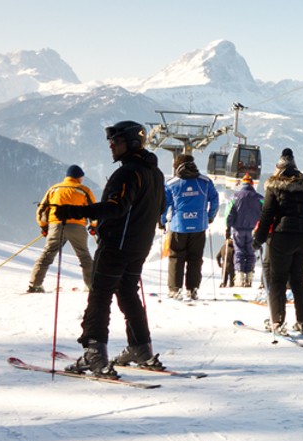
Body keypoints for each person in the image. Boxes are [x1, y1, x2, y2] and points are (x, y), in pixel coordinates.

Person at [54, 121, 166, 377]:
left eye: (116, 141)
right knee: (127, 293)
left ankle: (95, 353)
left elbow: (116, 207)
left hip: (116, 246)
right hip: (139, 247)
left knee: (100, 295)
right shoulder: (155, 174)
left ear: (132, 144)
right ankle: (141, 349)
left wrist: (76, 212)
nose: (111, 146)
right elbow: (159, 209)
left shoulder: (127, 173)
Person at [252, 148, 303, 337]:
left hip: (282, 237)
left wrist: (258, 239)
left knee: (277, 280)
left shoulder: (275, 187)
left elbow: (267, 214)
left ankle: (277, 320)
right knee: (299, 279)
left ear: (279, 169)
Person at [28, 165, 97, 293]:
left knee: (47, 255)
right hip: (77, 226)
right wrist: (93, 226)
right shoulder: (84, 190)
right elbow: (94, 210)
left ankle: (35, 285)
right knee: (84, 256)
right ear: (79, 177)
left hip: (56, 225)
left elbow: (42, 210)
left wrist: (44, 227)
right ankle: (91, 285)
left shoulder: (54, 189)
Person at [161, 153, 219, 301]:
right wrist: (209, 216)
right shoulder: (205, 181)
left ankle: (175, 289)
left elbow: (164, 204)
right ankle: (192, 289)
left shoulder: (171, 183)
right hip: (199, 225)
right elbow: (215, 199)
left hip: (178, 226)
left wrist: (161, 221)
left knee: (176, 257)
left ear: (176, 167)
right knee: (195, 258)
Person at [226, 174, 263, 288]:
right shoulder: (260, 198)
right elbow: (265, 214)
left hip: (238, 229)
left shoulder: (235, 197)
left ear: (242, 183)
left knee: (239, 252)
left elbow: (229, 214)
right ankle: (249, 277)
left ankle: (240, 277)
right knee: (251, 253)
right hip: (254, 230)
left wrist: (228, 227)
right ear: (252, 184)